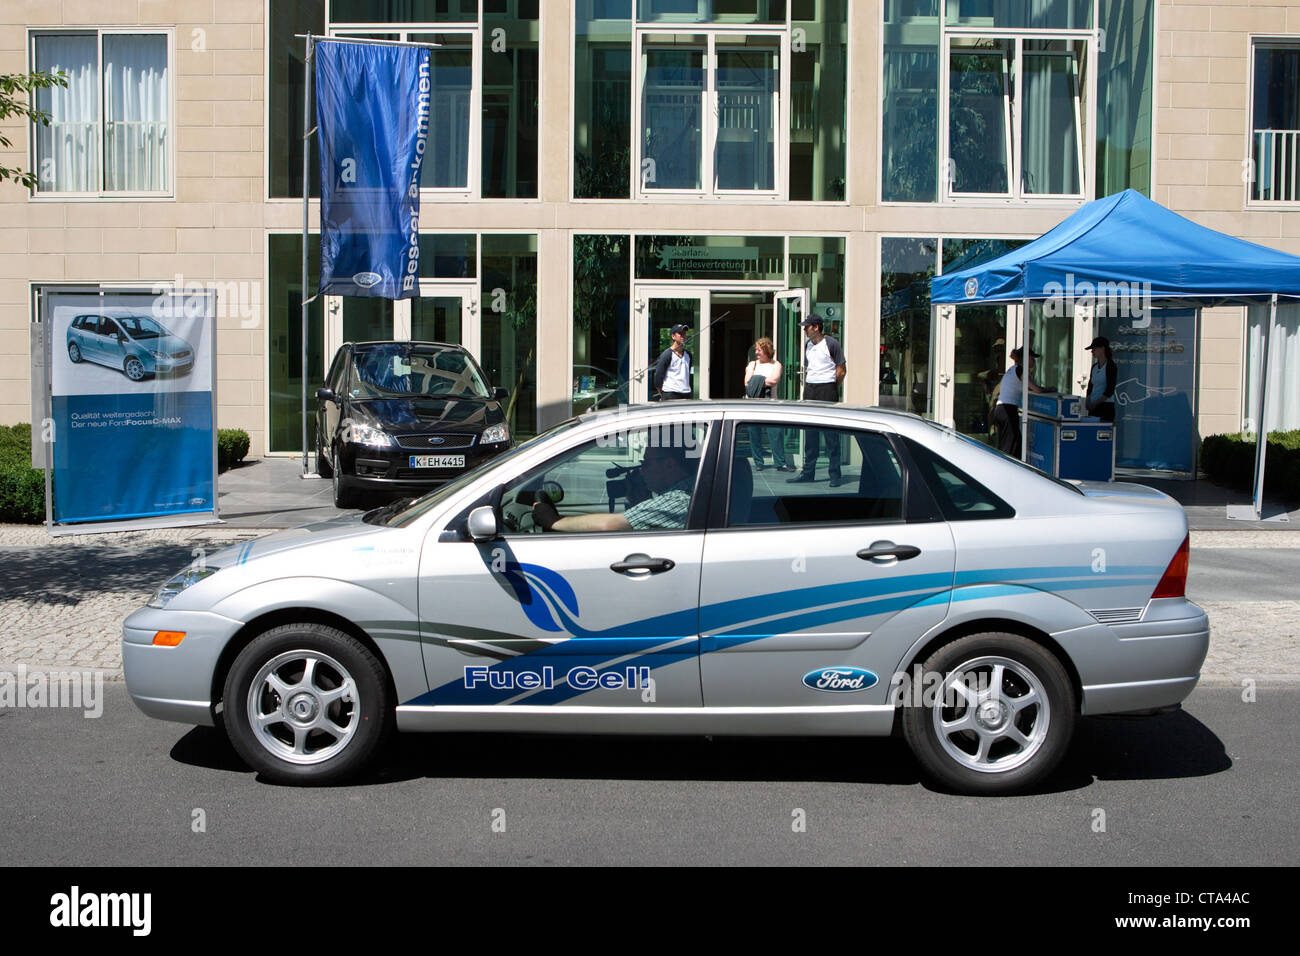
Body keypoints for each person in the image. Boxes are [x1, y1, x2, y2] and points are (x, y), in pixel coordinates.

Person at [532, 443, 694, 532]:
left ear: (669, 464)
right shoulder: (691, 489)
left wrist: (554, 522)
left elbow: (612, 524)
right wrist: (641, 501)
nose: (641, 470)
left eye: (645, 463)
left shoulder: (679, 498)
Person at [787, 315, 847, 486]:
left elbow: (842, 369)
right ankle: (808, 473)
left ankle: (835, 474)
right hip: (810, 388)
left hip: (826, 389)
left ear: (816, 327)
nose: (804, 329)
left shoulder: (831, 343)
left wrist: (831, 387)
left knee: (830, 435)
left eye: (806, 327)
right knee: (810, 434)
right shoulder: (808, 345)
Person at [743, 337, 793, 471]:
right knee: (754, 434)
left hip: (771, 404)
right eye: (756, 350)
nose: (757, 352)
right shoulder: (752, 364)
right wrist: (763, 381)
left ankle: (780, 462)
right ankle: (758, 462)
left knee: (775, 433)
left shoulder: (776, 364)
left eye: (760, 350)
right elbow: (747, 382)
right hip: (753, 405)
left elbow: (774, 381)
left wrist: (756, 381)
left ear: (767, 350)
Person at [991, 345, 1045, 458]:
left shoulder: (1012, 369)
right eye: (1031, 358)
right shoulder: (1020, 370)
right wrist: (1050, 389)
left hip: (1000, 409)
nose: (1034, 361)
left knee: (1013, 443)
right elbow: (1037, 389)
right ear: (1025, 359)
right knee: (1010, 447)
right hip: (1008, 411)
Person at [653, 324, 693, 400]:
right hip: (671, 394)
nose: (683, 336)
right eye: (680, 334)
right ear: (673, 336)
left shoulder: (688, 355)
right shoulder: (667, 354)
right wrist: (662, 393)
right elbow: (658, 375)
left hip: (687, 393)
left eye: (684, 334)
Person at [1085, 336, 1118, 423]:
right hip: (1093, 407)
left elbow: (1109, 390)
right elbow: (1090, 386)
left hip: (1106, 407)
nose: (1092, 352)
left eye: (1094, 349)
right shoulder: (1094, 367)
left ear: (1102, 348)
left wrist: (1095, 403)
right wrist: (1088, 401)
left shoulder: (1110, 365)